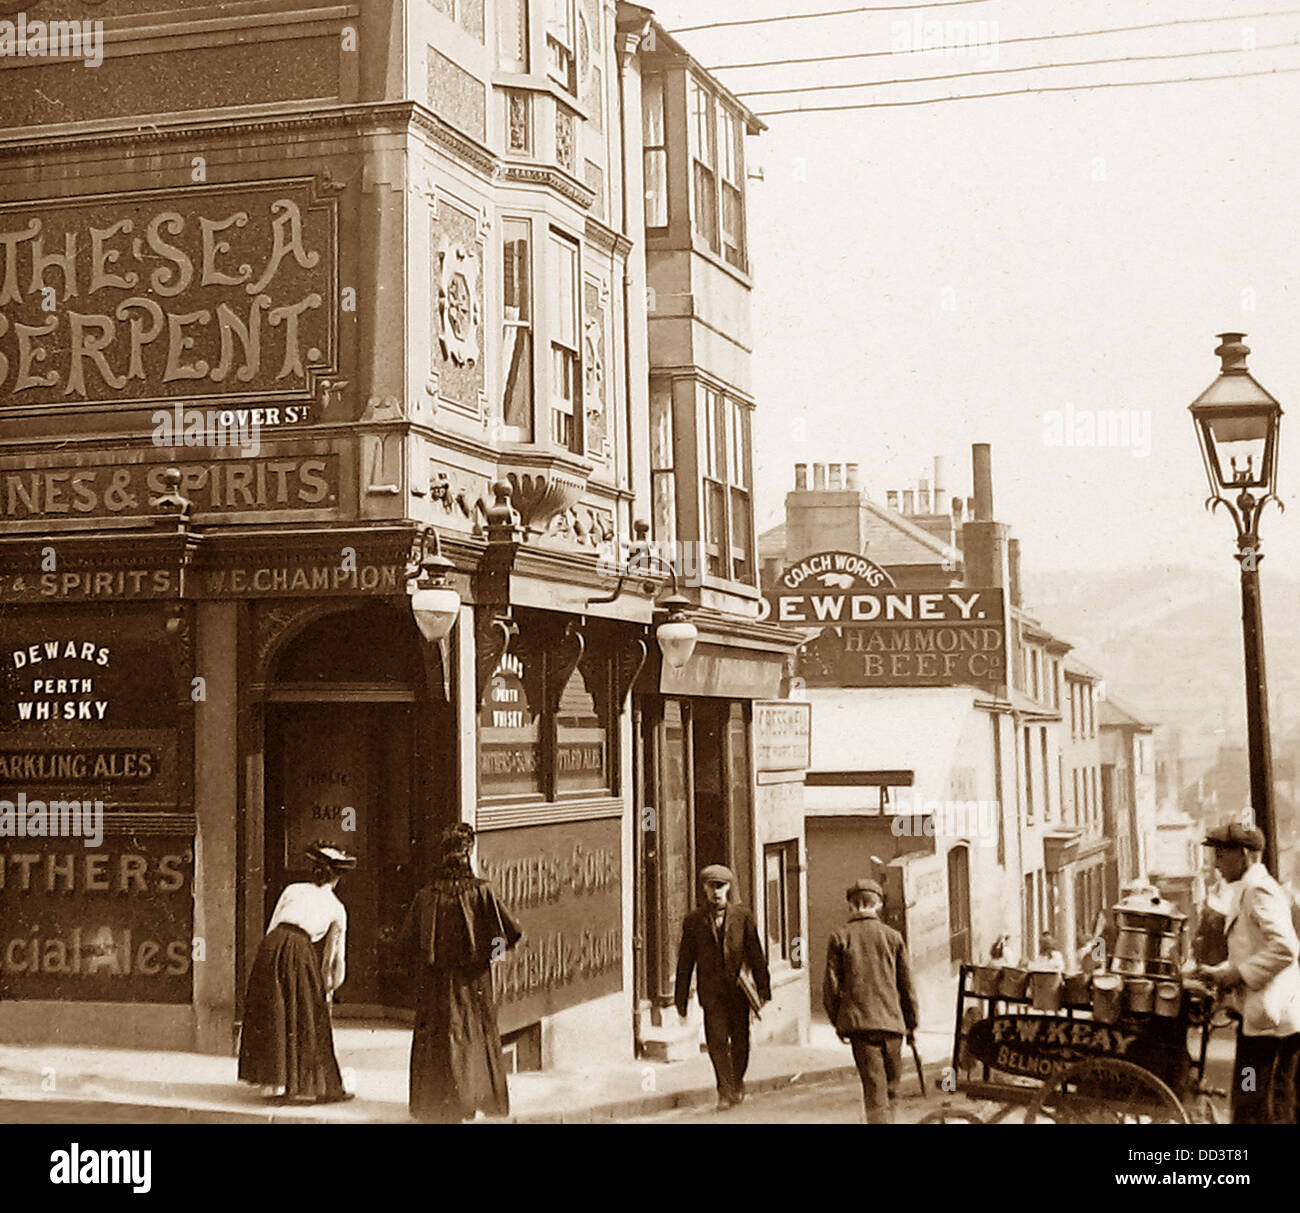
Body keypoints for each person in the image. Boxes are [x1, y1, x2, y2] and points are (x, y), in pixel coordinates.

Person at [398, 822, 523, 1123]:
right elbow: (512, 931)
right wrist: (487, 957)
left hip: (435, 981)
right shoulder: (482, 891)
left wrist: (425, 964)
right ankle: (471, 1099)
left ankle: (436, 1102)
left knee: (439, 1038)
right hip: (473, 980)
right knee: (472, 1037)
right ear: (468, 852)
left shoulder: (426, 895)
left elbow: (405, 943)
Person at [1196, 823, 1300, 1124]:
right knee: (1253, 1102)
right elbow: (1252, 951)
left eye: (1220, 856)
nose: (1216, 864)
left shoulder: (1258, 890)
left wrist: (1237, 975)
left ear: (1243, 855)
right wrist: (1217, 973)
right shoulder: (1249, 889)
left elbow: (1285, 948)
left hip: (1271, 1025)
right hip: (1263, 1021)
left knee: (1256, 1104)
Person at [238, 841, 356, 1104]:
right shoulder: (337, 908)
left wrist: (266, 960)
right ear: (338, 876)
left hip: (272, 947)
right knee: (305, 1017)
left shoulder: (293, 890)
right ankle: (295, 1083)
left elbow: (273, 924)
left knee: (276, 1011)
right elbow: (335, 957)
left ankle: (274, 1083)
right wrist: (329, 987)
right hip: (299, 950)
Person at [674, 864, 771, 1110]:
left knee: (741, 1042)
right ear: (704, 889)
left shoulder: (743, 917)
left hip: (738, 993)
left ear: (728, 888)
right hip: (712, 993)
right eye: (711, 887)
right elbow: (685, 961)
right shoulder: (693, 921)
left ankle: (736, 1082)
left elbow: (756, 953)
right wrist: (681, 999)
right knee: (716, 1042)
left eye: (721, 886)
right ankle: (725, 1091)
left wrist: (763, 988)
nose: (716, 892)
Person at [823, 878, 919, 1124]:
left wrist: (839, 1022)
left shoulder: (840, 937)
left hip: (860, 1026)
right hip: (893, 1026)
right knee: (892, 1089)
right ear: (879, 904)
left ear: (851, 906)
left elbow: (831, 989)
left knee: (874, 1090)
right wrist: (911, 1023)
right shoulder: (893, 937)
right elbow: (907, 986)